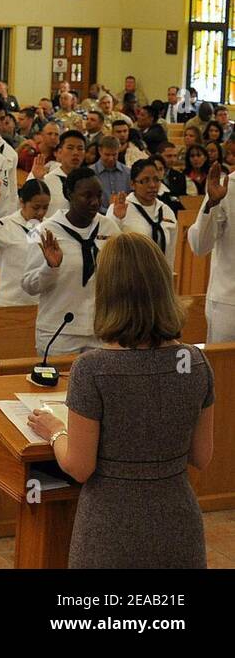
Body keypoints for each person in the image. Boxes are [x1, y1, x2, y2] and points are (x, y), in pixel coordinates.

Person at [26, 233, 214, 569]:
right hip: (177, 525)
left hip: (110, 528)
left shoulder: (93, 368)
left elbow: (80, 467)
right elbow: (202, 456)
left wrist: (55, 431)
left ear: (106, 292)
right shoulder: (195, 362)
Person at [22, 167, 123, 355]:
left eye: (99, 195)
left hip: (100, 331)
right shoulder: (43, 231)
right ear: (69, 194)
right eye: (87, 196)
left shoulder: (109, 227)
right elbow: (28, 285)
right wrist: (51, 267)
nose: (95, 202)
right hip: (59, 333)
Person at [185, 161, 235, 342]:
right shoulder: (227, 187)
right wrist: (212, 204)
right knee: (224, 368)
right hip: (229, 306)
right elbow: (199, 246)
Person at [0, 180, 50, 307]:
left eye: (45, 207)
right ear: (22, 202)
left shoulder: (51, 227)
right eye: (36, 207)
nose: (41, 213)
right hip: (9, 303)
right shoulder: (4, 226)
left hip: (41, 303)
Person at [120, 159, 178, 272]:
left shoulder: (166, 210)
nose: (152, 185)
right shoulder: (121, 208)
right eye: (145, 180)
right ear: (132, 184)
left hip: (159, 278)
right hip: (129, 278)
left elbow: (171, 253)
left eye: (156, 180)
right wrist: (117, 218)